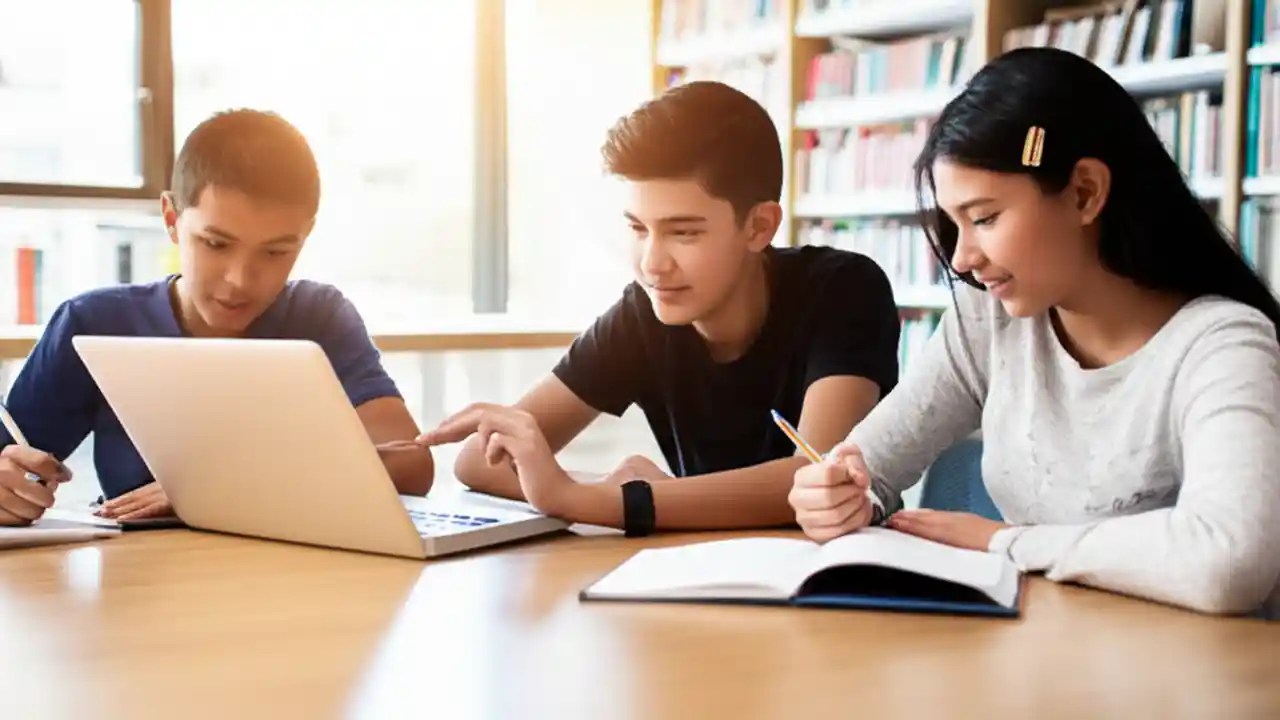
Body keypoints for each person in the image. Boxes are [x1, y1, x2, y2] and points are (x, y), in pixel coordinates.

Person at [789, 47, 1280, 616]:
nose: (964, 256)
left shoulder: (1223, 345)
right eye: (954, 224)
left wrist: (1005, 542)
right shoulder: (986, 323)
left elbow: (1228, 562)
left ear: (1084, 193)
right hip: (1049, 657)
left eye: (986, 218)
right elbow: (868, 467)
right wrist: (841, 497)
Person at [418, 81, 900, 533]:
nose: (652, 264)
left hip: (834, 583)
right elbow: (480, 461)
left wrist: (606, 501)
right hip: (702, 575)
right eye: (637, 229)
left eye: (683, 232)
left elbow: (816, 476)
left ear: (758, 227)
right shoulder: (644, 314)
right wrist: (608, 489)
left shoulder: (844, 290)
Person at [0, 109, 434, 526]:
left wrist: (222, 487)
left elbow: (412, 464)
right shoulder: (93, 322)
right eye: (215, 243)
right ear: (171, 219)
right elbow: (12, 463)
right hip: (138, 585)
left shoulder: (319, 317)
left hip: (289, 584)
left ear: (305, 236)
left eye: (276, 252)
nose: (239, 280)